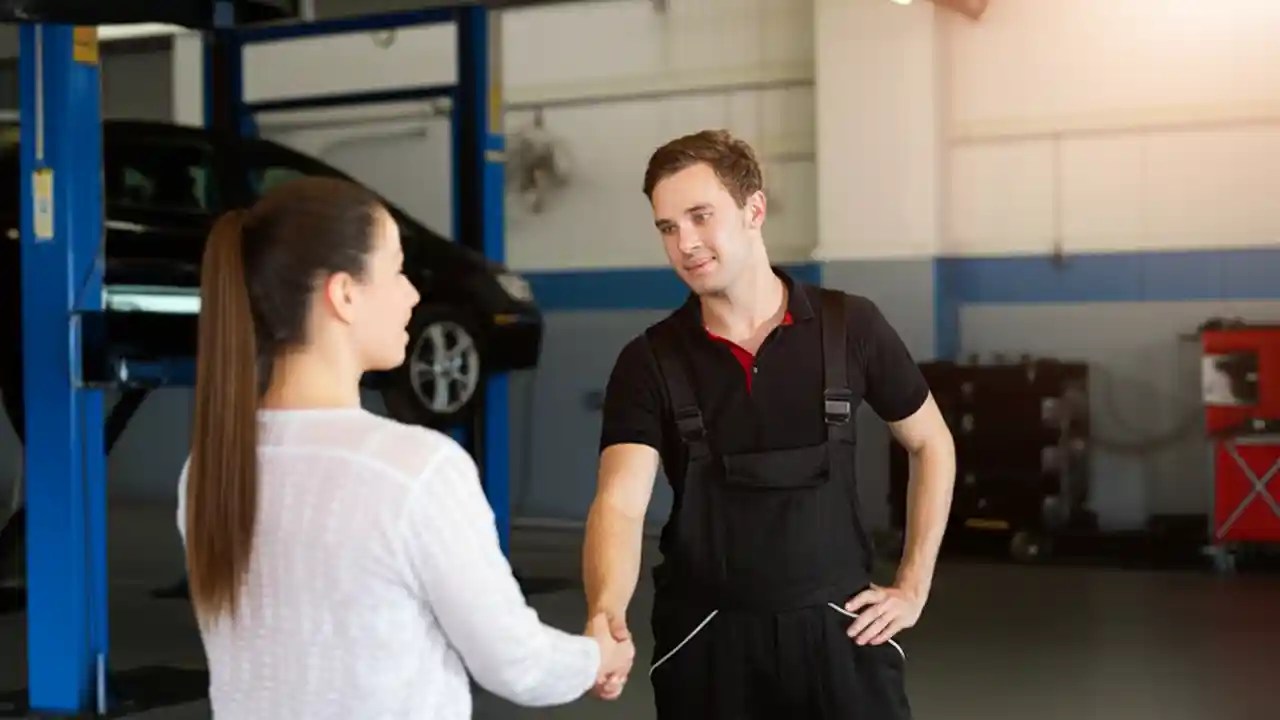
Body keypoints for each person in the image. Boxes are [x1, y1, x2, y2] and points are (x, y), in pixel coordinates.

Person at [177, 176, 633, 719]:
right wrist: (597, 655)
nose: (413, 294)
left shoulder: (208, 470)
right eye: (395, 271)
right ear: (344, 294)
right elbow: (515, 662)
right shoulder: (415, 470)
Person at [582, 130, 956, 718]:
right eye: (667, 227)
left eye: (701, 216)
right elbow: (621, 502)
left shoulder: (851, 327)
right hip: (706, 642)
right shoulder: (649, 361)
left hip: (842, 634)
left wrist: (913, 584)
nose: (685, 243)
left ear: (754, 209)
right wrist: (605, 612)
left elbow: (931, 441)